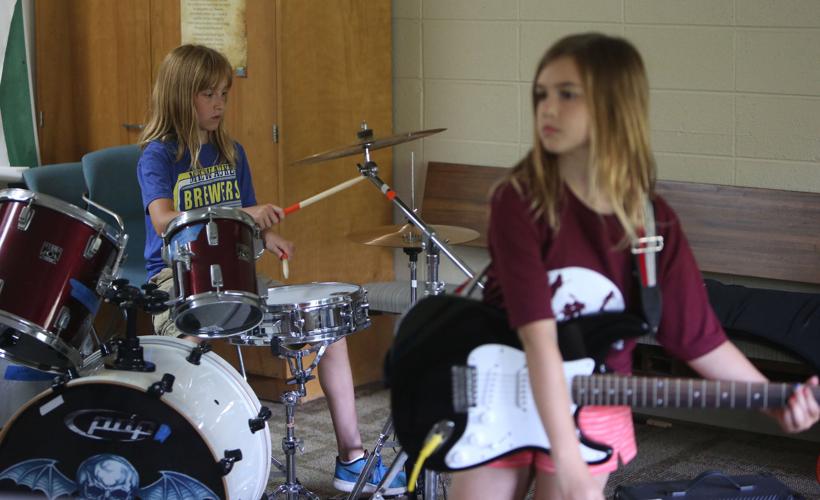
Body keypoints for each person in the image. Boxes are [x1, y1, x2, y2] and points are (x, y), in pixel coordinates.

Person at [448, 33, 820, 500]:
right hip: (509, 388)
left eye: (567, 94)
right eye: (541, 94)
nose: (547, 107)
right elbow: (538, 337)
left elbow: (698, 338)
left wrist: (772, 401)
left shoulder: (652, 222)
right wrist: (566, 460)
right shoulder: (520, 201)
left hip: (596, 402)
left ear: (612, 106)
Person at [136, 44, 405, 494]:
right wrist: (240, 211)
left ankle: (351, 459)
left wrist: (265, 234)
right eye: (209, 94)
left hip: (240, 279)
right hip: (178, 279)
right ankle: (170, 456)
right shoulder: (159, 157)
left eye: (224, 94)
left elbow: (246, 225)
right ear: (181, 96)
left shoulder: (232, 153)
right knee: (185, 349)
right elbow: (163, 220)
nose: (220, 103)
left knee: (327, 327)